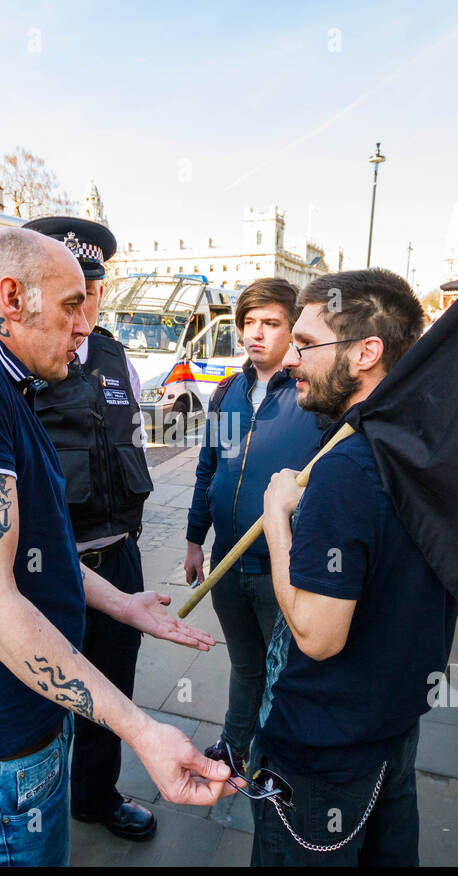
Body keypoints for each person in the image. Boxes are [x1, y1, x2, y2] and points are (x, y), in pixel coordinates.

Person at [0, 228, 230, 867]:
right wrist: (141, 730)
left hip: (22, 725)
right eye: (69, 305)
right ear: (12, 297)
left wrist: (121, 604)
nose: (84, 324)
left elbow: (26, 549)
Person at [253, 270, 458, 866]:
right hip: (390, 726)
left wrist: (276, 520)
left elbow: (318, 635)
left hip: (323, 748)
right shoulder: (422, 441)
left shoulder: (348, 466)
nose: (292, 358)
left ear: (366, 352)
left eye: (307, 343)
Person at [25, 216, 159, 841]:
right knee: (42, 693)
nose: (88, 304)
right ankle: (36, 806)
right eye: (75, 292)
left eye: (95, 289)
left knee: (111, 689)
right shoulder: (19, 366)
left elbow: (126, 443)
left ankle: (95, 797)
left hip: (117, 559)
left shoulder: (112, 355)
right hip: (44, 571)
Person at [182, 278, 324, 774]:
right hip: (226, 564)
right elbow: (209, 468)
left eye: (271, 323)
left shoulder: (313, 400)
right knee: (245, 665)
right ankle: (235, 745)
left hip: (280, 569)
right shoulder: (227, 394)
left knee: (282, 672)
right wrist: (195, 540)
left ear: (294, 331)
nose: (255, 334)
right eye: (248, 322)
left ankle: (277, 760)